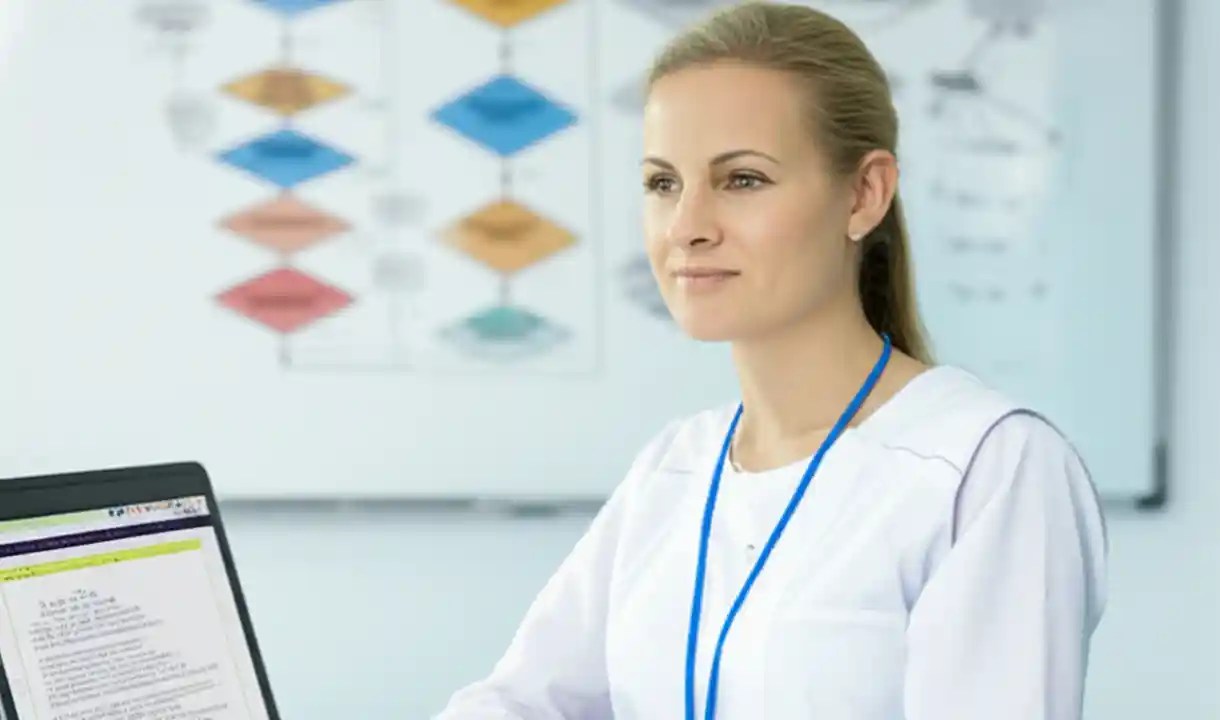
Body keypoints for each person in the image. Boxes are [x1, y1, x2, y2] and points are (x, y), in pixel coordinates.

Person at [435, 2, 1108, 718]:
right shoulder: (675, 470)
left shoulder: (988, 470)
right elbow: (518, 703)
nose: (687, 228)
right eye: (664, 183)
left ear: (865, 193)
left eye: (743, 180)